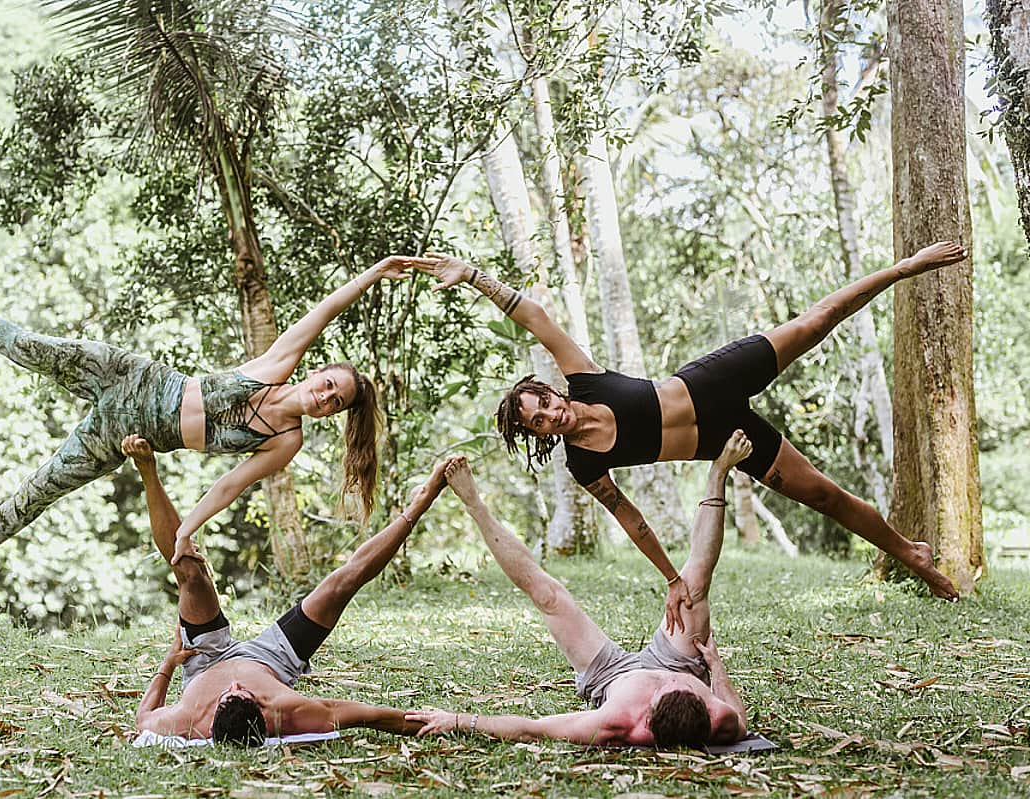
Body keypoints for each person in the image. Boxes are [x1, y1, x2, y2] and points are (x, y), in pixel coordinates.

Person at [413, 243, 965, 605]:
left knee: (815, 322)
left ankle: (904, 266)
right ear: (539, 435)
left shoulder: (583, 380)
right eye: (539, 422)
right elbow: (632, 520)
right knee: (823, 496)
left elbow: (534, 316)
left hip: (713, 382)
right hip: (730, 442)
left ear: (553, 392)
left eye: (545, 403)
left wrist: (474, 277)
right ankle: (910, 554)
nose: (551, 414)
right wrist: (673, 579)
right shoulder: (584, 463)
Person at [0, 256, 436, 587]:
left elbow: (228, 485)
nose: (324, 398)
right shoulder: (277, 364)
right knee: (26, 343)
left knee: (41, 490)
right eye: (327, 385)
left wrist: (189, 528)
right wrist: (378, 271)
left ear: (334, 415)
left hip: (126, 438)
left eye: (334, 402)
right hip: (128, 376)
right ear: (316, 373)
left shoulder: (285, 440)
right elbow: (327, 307)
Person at [405, 433, 754, 748]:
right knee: (694, 585)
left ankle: (474, 505)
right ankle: (719, 471)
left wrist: (457, 720)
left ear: (644, 722)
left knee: (549, 598)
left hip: (611, 677)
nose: (661, 683)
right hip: (676, 660)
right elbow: (740, 723)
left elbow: (533, 729)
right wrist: (714, 665)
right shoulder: (721, 718)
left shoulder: (613, 723)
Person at [126, 434, 449, 742]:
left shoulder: (183, 722)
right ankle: (423, 500)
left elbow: (144, 717)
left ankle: (147, 469)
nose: (235, 684)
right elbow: (375, 717)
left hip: (202, 660)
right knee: (343, 583)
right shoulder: (292, 713)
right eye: (244, 693)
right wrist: (449, 723)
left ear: (209, 722)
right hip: (272, 660)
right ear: (267, 716)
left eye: (230, 694)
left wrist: (168, 663)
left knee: (189, 572)